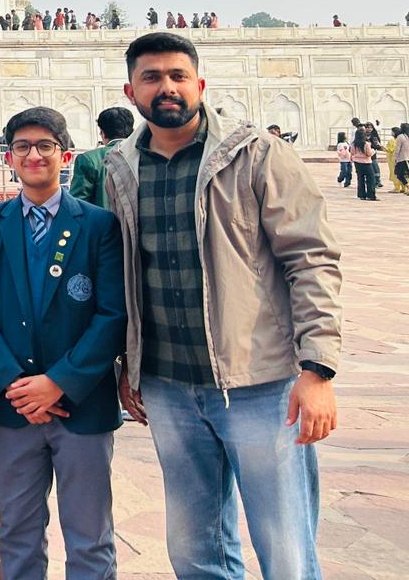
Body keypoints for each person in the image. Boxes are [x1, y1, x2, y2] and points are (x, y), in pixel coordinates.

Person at [105, 32, 342, 580]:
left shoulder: (255, 153)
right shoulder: (121, 167)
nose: (166, 88)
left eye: (177, 76)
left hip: (258, 384)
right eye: (152, 77)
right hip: (167, 386)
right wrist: (128, 366)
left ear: (199, 84)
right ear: (131, 91)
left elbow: (311, 259)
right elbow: (125, 276)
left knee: (284, 546)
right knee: (194, 548)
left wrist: (318, 368)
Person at [0, 107, 125, 580]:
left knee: (90, 536)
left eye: (45, 145)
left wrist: (59, 382)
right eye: (23, 147)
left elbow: (112, 315)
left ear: (65, 154)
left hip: (82, 406)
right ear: (9, 157)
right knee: (18, 532)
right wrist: (16, 383)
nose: (34, 155)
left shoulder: (96, 225)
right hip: (15, 408)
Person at [66, 106, 134, 209]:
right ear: (132, 130)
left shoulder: (89, 159)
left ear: (102, 133)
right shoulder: (144, 155)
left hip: (105, 224)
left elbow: (77, 204)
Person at [393, 124, 409, 194]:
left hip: (402, 158)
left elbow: (397, 149)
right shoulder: (406, 136)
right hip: (407, 157)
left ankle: (408, 186)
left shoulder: (400, 137)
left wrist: (395, 158)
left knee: (399, 174)